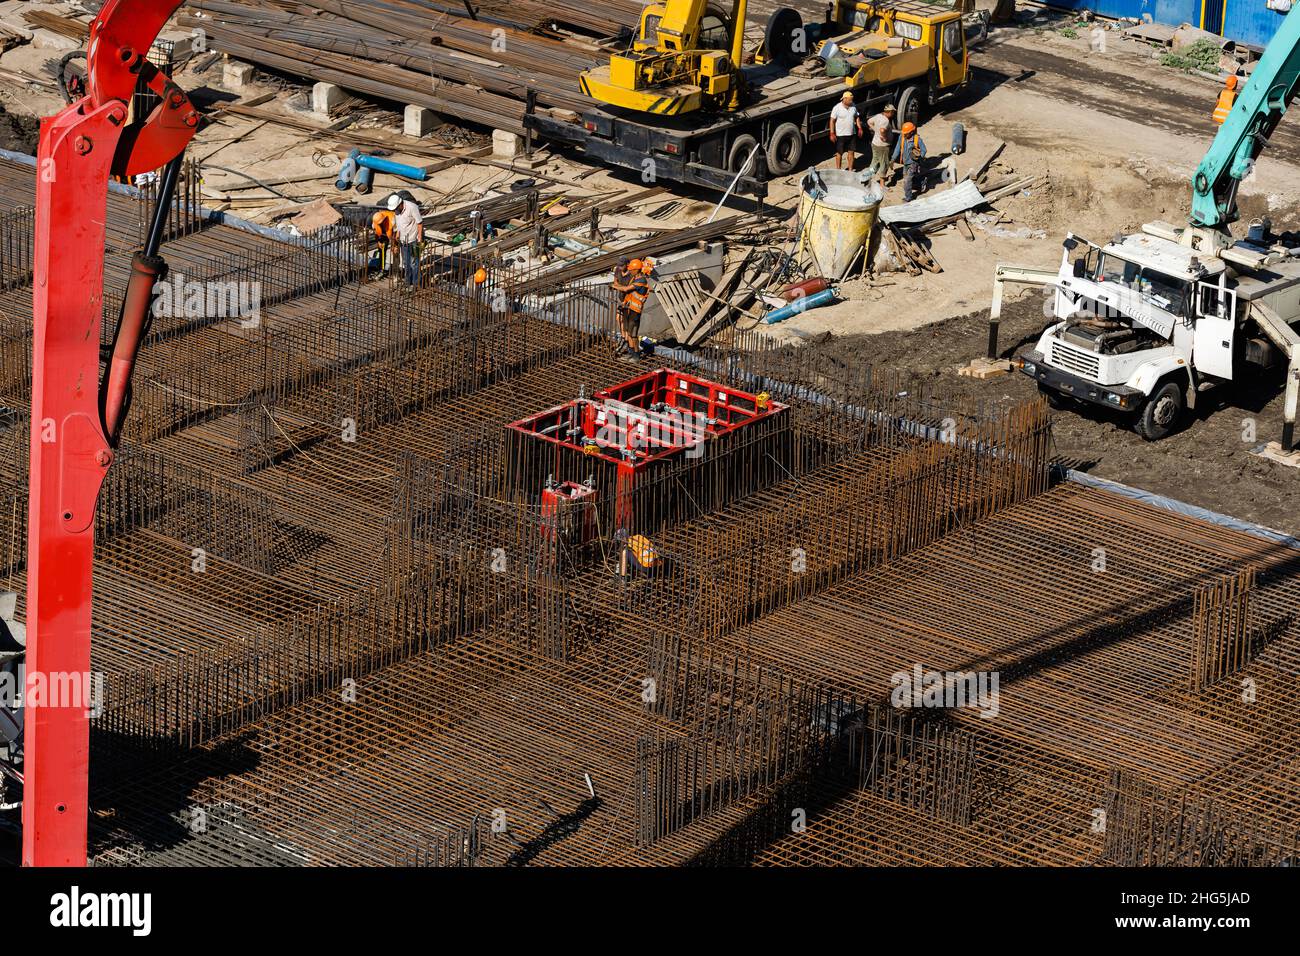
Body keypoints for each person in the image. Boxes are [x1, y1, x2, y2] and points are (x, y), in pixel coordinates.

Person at [612, 258, 651, 357]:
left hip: (635, 311)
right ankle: (631, 352)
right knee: (629, 333)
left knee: (633, 334)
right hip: (629, 308)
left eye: (631, 269)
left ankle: (636, 355)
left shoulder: (641, 280)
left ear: (636, 270)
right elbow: (630, 294)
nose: (630, 271)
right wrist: (624, 303)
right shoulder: (635, 278)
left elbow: (626, 289)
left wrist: (614, 286)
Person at [389, 193, 423, 286]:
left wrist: (420, 238)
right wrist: (397, 235)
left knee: (414, 262)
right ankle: (408, 282)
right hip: (403, 240)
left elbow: (419, 223)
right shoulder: (397, 210)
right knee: (406, 262)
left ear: (400, 204)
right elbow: (399, 224)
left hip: (414, 240)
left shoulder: (412, 207)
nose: (395, 211)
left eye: (396, 208)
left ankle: (416, 283)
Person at [892, 121, 928, 202]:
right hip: (905, 163)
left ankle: (908, 198)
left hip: (913, 163)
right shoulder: (902, 137)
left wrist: (919, 156)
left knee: (907, 181)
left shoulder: (917, 139)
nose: (904, 134)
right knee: (908, 178)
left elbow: (924, 150)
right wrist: (893, 159)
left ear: (911, 132)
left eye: (906, 133)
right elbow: (897, 148)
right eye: (904, 133)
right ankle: (922, 183)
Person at [829, 91, 864, 171]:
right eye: (850, 100)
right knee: (839, 153)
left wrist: (859, 128)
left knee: (851, 152)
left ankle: (850, 170)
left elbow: (857, 117)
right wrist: (832, 133)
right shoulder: (837, 108)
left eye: (852, 100)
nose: (851, 101)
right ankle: (838, 170)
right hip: (840, 135)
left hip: (852, 134)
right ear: (844, 99)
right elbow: (832, 121)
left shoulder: (853, 106)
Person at [864, 103, 895, 182]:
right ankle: (882, 184)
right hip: (883, 146)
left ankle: (867, 178)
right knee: (884, 164)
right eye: (893, 112)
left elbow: (869, 122)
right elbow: (882, 130)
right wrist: (884, 137)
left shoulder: (878, 116)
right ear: (890, 112)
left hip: (875, 143)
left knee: (874, 162)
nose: (893, 114)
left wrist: (875, 130)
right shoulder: (885, 121)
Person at [371, 207, 396, 275]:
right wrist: (378, 242)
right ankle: (381, 268)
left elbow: (395, 235)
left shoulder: (392, 220)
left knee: (395, 252)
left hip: (393, 233)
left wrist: (394, 245)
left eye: (381, 222)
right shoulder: (375, 221)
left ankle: (395, 272)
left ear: (384, 219)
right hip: (382, 235)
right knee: (381, 252)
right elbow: (376, 233)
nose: (380, 224)